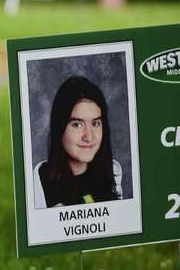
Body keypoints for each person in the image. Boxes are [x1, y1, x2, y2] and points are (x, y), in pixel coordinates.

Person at [33, 75, 124, 209]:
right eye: (77, 124)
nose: (89, 136)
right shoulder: (39, 180)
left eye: (95, 123)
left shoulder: (113, 171)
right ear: (60, 128)